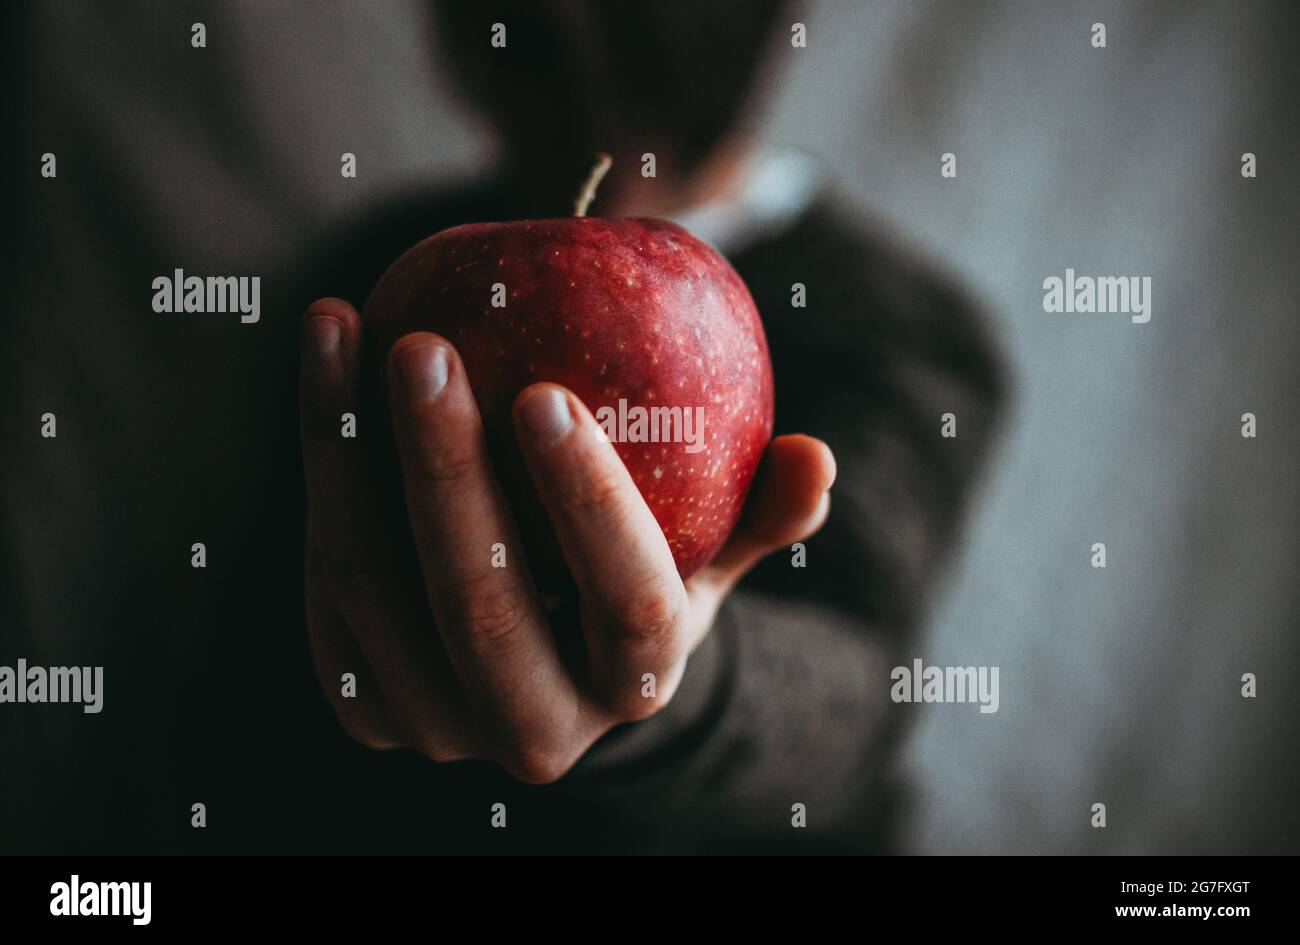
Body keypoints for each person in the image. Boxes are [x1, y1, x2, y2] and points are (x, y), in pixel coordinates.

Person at [294, 1, 1008, 853]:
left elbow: (859, 692)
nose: (600, 140)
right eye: (534, 58)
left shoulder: (901, 330)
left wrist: (672, 686)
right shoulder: (380, 271)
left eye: (644, 80)